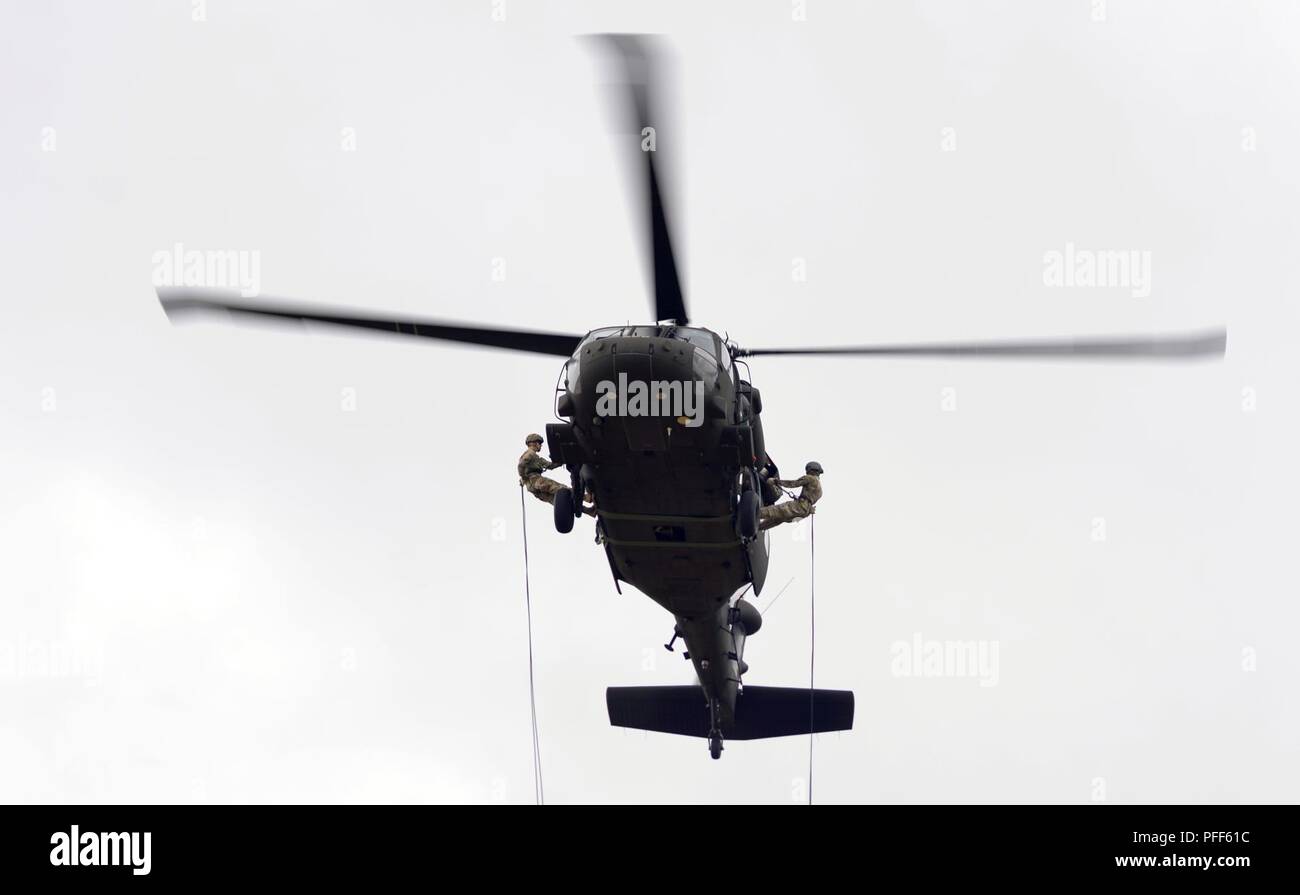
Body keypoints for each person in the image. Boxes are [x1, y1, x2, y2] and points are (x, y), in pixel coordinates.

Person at [518, 433, 594, 515]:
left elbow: (550, 466)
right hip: (536, 480)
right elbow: (521, 465)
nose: (540, 446)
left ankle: (589, 511)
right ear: (534, 443)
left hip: (531, 486)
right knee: (562, 490)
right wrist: (523, 476)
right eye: (539, 443)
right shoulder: (530, 453)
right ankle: (586, 497)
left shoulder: (536, 458)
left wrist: (561, 460)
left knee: (561, 502)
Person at [758, 461, 823, 530]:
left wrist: (777, 481)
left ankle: (750, 514)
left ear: (811, 469)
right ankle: (754, 530)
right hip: (804, 513)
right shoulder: (820, 490)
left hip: (799, 506)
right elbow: (809, 499)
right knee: (776, 519)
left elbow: (793, 483)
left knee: (772, 511)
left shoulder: (810, 478)